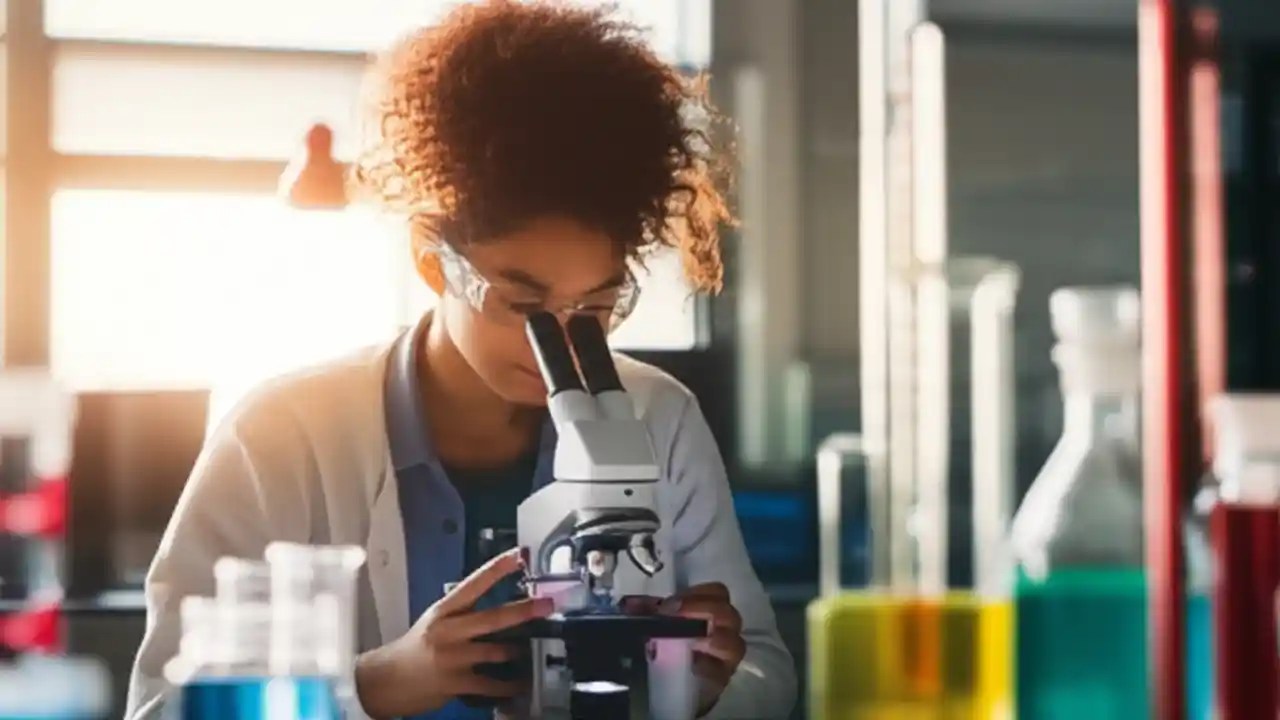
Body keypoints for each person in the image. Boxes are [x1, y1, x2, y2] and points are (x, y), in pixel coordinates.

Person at [124, 1, 797, 718]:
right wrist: (378, 684)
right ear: (432, 261)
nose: (566, 346)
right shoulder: (280, 435)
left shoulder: (658, 416)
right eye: (523, 305)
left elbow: (767, 672)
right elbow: (161, 706)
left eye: (597, 308)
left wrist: (699, 686)